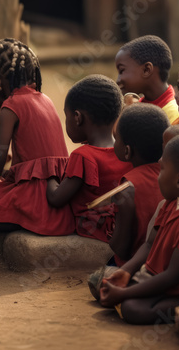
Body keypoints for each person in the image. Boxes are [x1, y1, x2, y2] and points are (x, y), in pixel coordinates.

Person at [99, 131, 179, 324]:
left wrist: (124, 293)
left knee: (132, 309)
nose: (157, 176)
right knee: (105, 285)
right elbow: (149, 244)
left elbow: (173, 276)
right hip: (157, 281)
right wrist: (125, 271)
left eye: (162, 170)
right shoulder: (171, 204)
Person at [0, 39, 72, 236]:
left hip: (34, 197)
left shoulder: (10, 106)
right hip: (59, 192)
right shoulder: (45, 99)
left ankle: (24, 222)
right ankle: (29, 218)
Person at [88, 104, 169, 300]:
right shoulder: (169, 175)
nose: (113, 142)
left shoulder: (128, 185)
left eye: (117, 139)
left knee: (96, 280)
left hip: (135, 265)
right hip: (165, 264)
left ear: (127, 151)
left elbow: (121, 247)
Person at [47, 75, 133, 241]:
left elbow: (56, 198)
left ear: (78, 118)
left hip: (94, 227)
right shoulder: (126, 152)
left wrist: (49, 175)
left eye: (67, 116)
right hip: (119, 223)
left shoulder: (83, 156)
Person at [115, 35, 179, 123]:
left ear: (146, 70)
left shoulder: (175, 115)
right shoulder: (134, 108)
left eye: (122, 71)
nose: (118, 80)